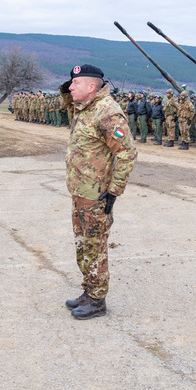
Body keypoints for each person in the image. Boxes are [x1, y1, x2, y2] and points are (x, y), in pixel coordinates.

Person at [59, 64, 137, 320]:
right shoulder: (86, 108)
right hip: (81, 192)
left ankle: (97, 300)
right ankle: (88, 290)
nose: (70, 88)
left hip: (96, 195)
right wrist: (68, 87)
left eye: (76, 83)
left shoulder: (107, 112)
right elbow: (68, 100)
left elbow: (127, 153)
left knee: (95, 246)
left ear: (91, 87)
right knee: (83, 246)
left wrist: (114, 190)